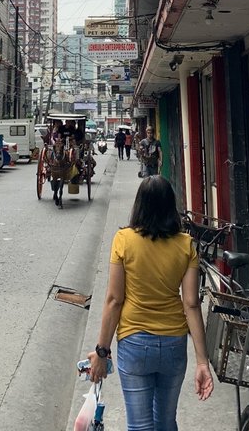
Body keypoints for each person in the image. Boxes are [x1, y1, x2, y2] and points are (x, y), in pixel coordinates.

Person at [87, 176, 214, 430]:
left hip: (134, 343)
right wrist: (202, 361)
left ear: (139, 205)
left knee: (140, 426)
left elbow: (114, 300)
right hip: (173, 345)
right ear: (171, 206)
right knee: (166, 422)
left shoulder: (123, 240)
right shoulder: (186, 245)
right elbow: (190, 304)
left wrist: (102, 351)